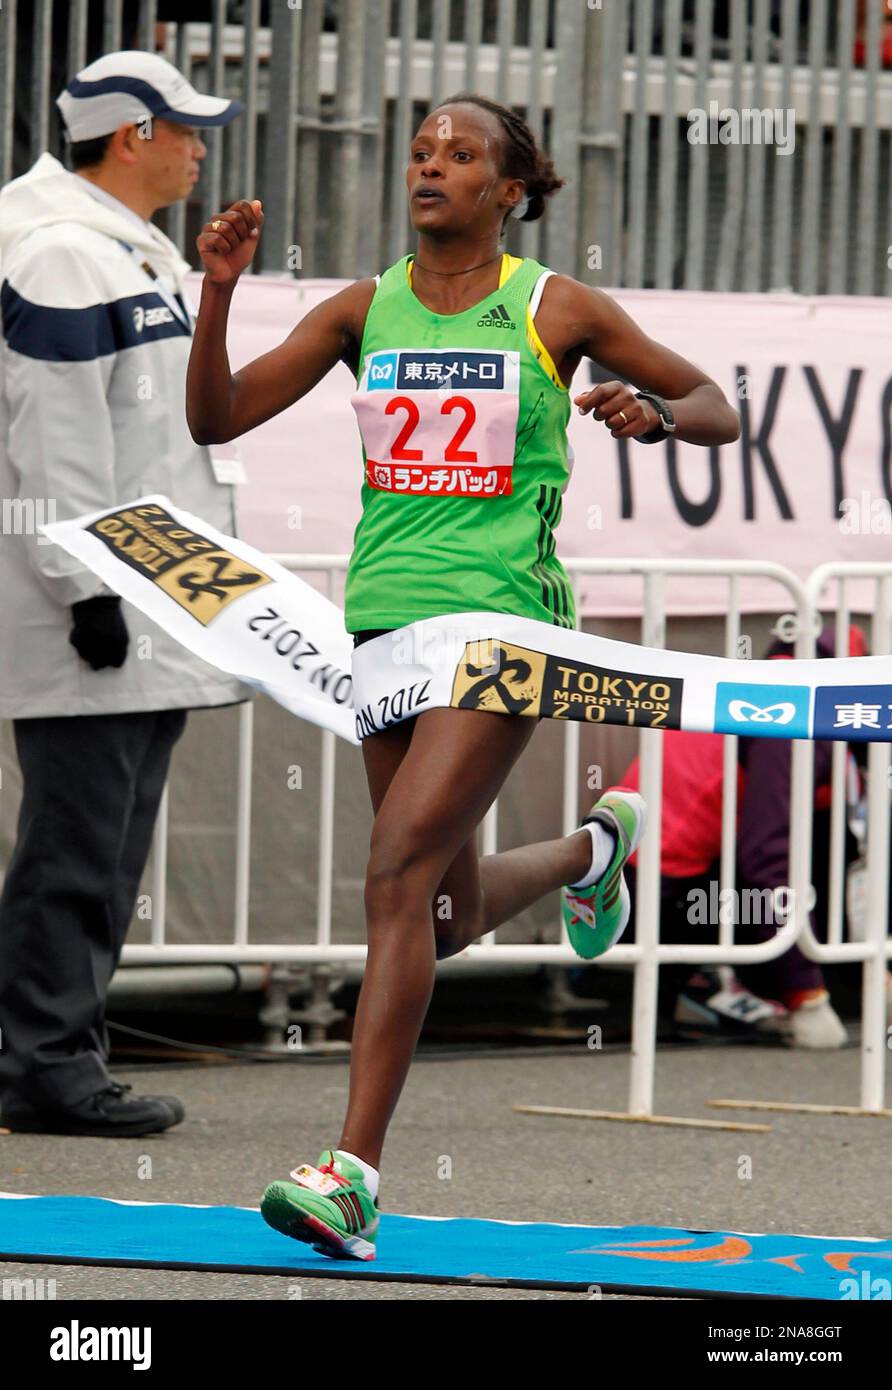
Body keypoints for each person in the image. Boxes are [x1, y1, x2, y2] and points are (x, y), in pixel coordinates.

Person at [186, 94, 740, 1260]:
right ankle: (597, 850)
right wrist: (220, 293)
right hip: (384, 627)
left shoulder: (554, 304)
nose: (433, 167)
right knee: (437, 912)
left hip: (507, 629)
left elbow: (717, 407)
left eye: (462, 155)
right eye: (422, 152)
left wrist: (653, 413)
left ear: (509, 188)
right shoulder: (361, 308)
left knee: (393, 870)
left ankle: (352, 1176)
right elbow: (220, 416)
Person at [0, 51, 248, 1137]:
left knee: (97, 846)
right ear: (134, 134)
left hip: (131, 608)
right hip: (92, 615)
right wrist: (83, 587)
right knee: (79, 849)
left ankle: (51, 1055)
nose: (200, 148)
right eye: (187, 129)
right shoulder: (62, 252)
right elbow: (54, 440)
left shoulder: (108, 250)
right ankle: (48, 1065)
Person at [620, 625, 871, 1048]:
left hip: (637, 874)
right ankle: (711, 981)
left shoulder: (773, 680)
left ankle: (715, 979)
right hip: (655, 895)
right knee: (800, 857)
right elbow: (767, 856)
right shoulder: (795, 710)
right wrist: (806, 993)